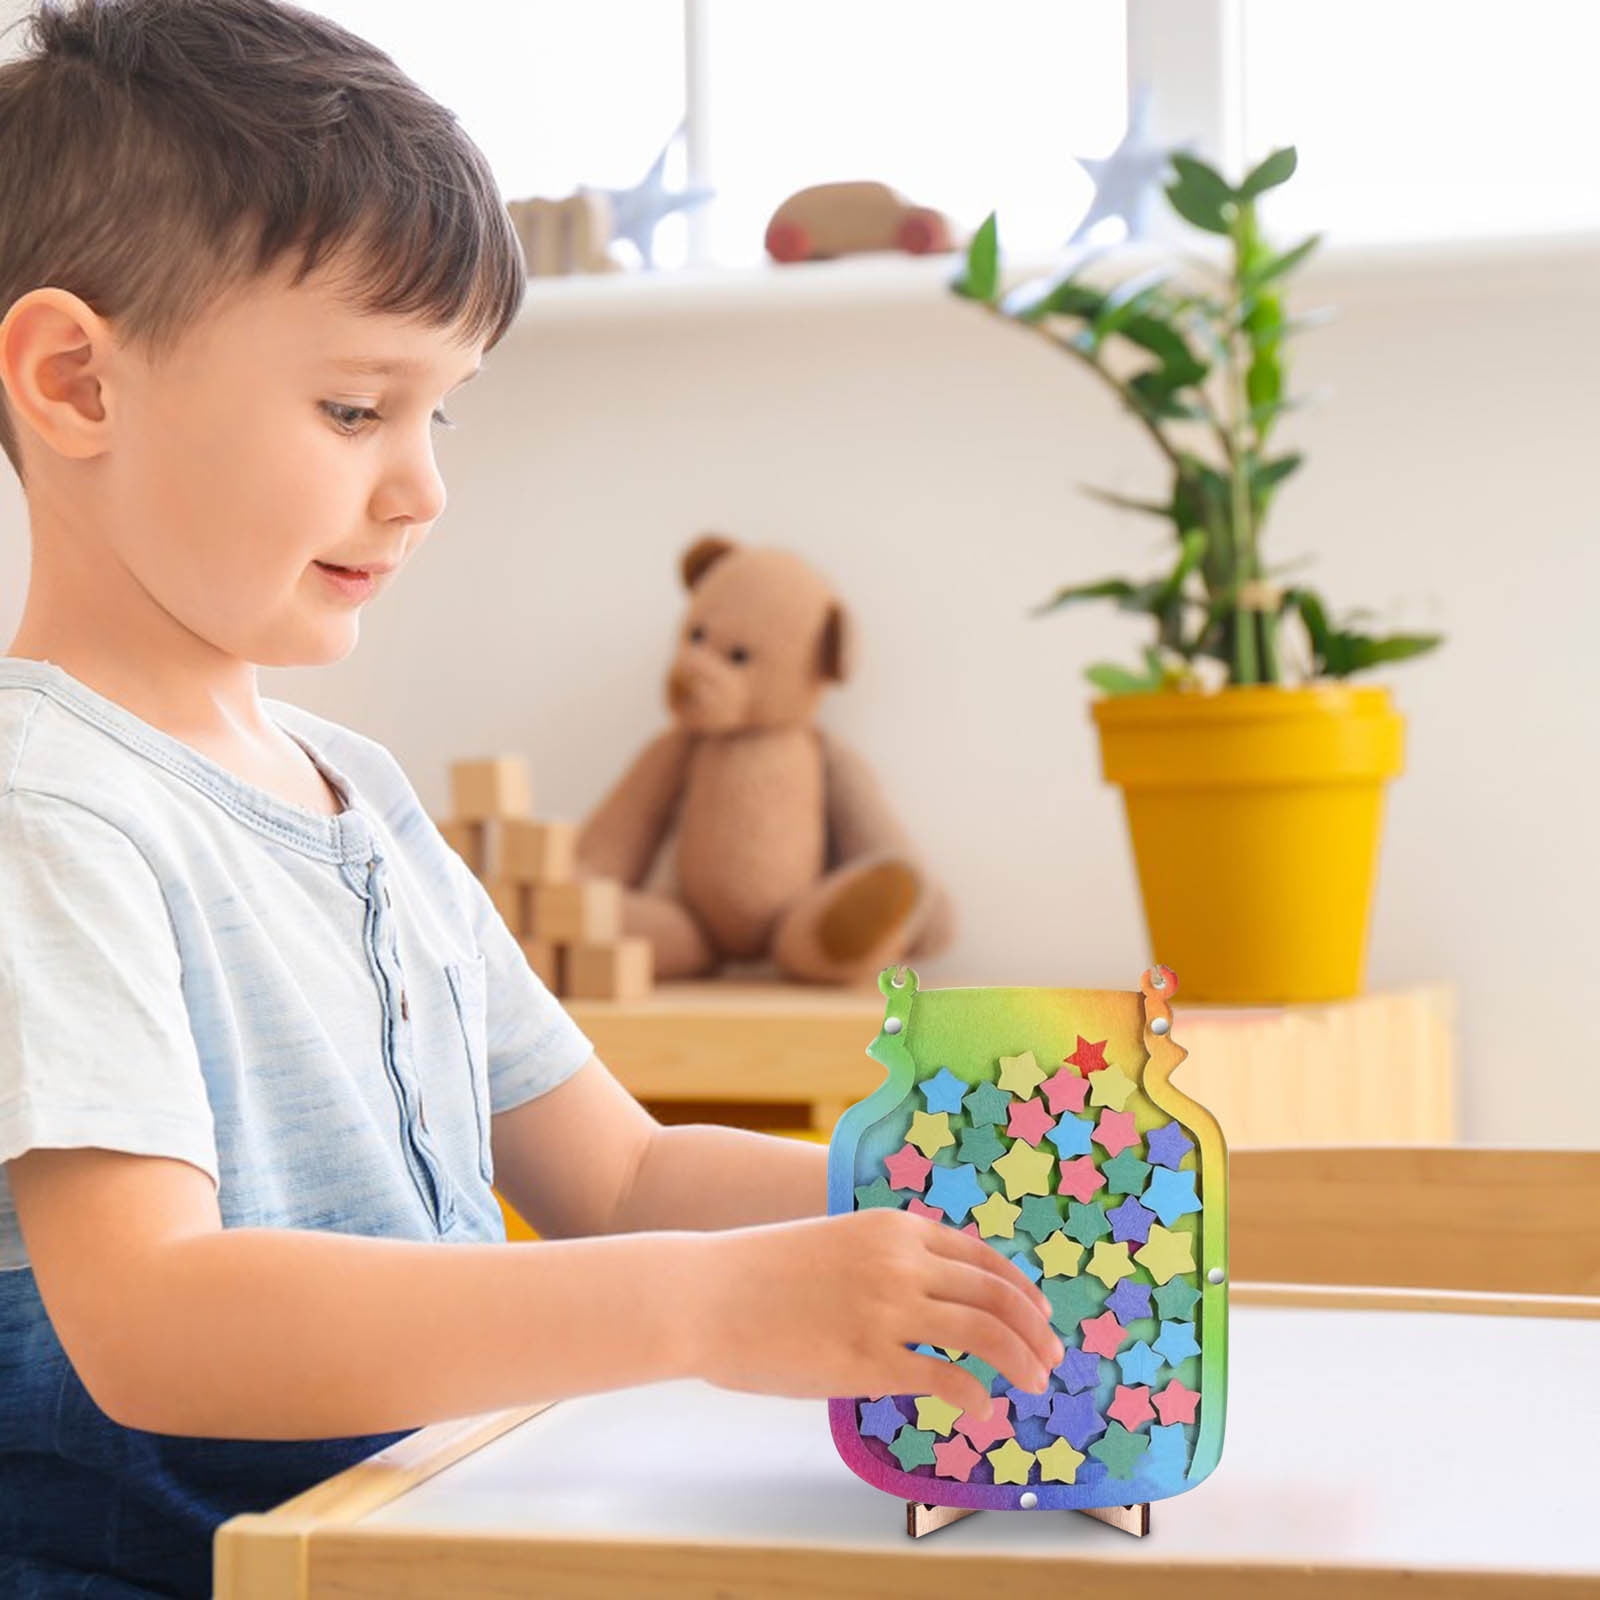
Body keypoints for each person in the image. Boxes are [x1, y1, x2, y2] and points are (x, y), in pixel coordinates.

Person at [0, 2, 1062, 1593]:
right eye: (357, 409)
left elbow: (616, 1176)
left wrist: (944, 1208)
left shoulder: (354, 791)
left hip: (419, 1539)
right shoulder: (50, 811)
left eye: (444, 411)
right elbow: (152, 1321)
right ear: (76, 381)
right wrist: (705, 1310)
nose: (422, 483)